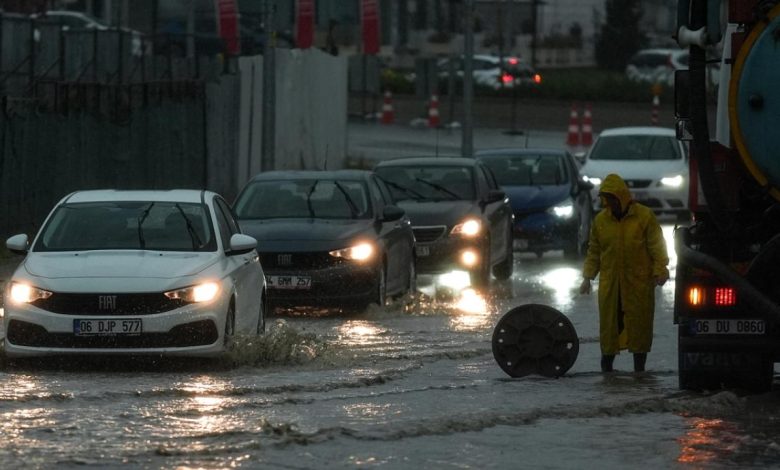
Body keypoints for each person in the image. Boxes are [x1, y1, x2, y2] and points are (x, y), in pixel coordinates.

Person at [579, 173, 669, 373]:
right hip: (611, 286)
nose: (610, 203)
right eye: (607, 199)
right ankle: (607, 372)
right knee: (610, 328)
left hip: (638, 284)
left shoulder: (644, 217)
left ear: (621, 196)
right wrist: (587, 277)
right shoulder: (601, 221)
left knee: (639, 327)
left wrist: (660, 270)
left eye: (612, 198)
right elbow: (594, 251)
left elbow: (657, 247)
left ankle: (639, 372)